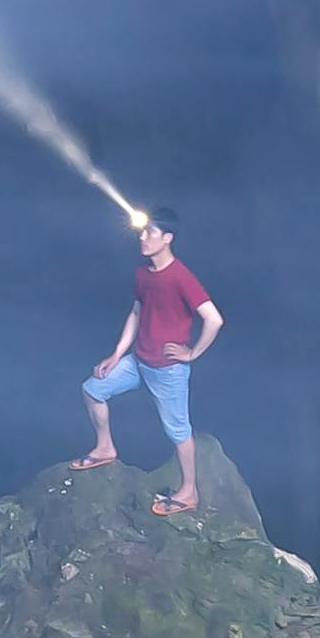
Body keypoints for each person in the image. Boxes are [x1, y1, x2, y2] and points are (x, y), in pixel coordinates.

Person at [75, 219, 223, 512]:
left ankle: (189, 492)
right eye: (142, 232)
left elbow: (214, 319)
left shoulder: (181, 276)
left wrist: (191, 353)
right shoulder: (142, 274)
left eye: (150, 233)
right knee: (92, 389)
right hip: (138, 360)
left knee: (178, 430)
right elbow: (136, 313)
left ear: (167, 238)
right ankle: (105, 447)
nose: (142, 238)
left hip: (168, 369)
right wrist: (117, 354)